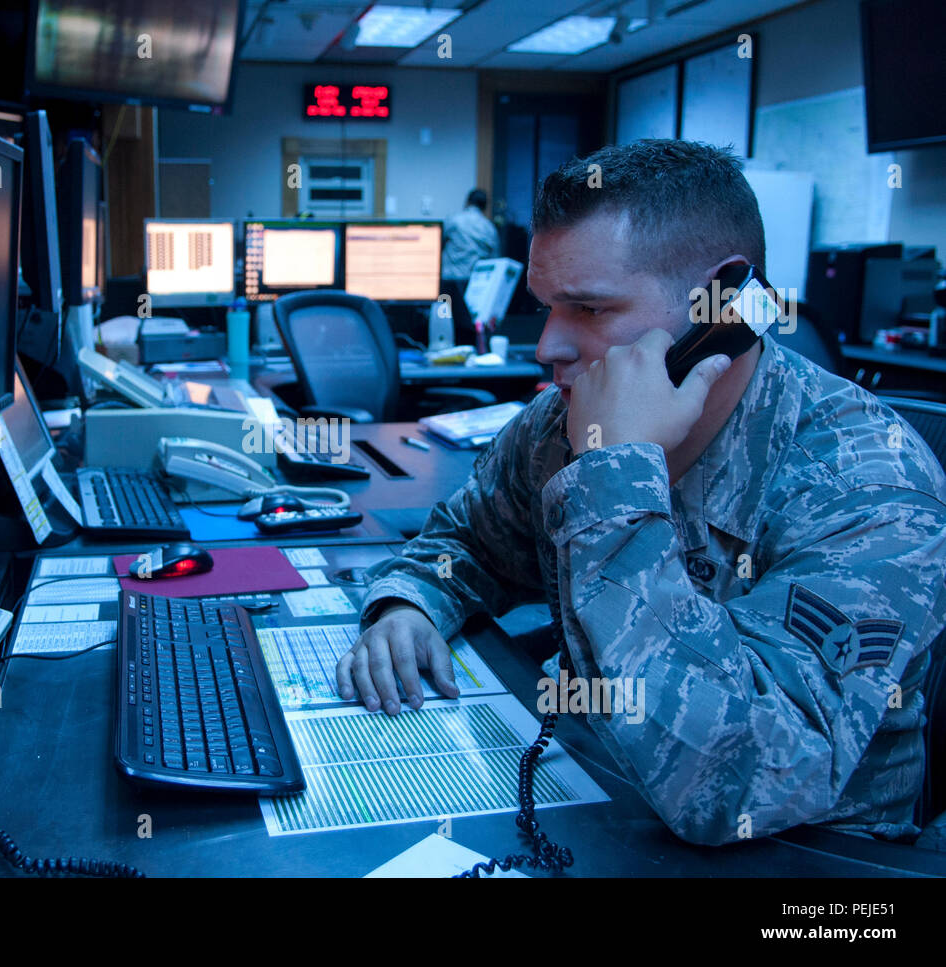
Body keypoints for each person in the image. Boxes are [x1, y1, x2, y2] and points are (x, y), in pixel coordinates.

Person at [336, 139, 946, 847]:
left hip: (803, 865)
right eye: (547, 307)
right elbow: (465, 541)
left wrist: (614, 474)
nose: (547, 347)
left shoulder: (870, 484)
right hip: (599, 798)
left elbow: (737, 777)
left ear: (723, 306)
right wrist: (408, 605)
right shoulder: (555, 427)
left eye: (589, 309)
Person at [441, 188, 500, 346]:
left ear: (467, 202)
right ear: (485, 206)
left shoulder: (454, 220)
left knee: (446, 323)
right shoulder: (489, 228)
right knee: (471, 325)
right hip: (475, 283)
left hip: (449, 281)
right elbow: (494, 259)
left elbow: (439, 243)